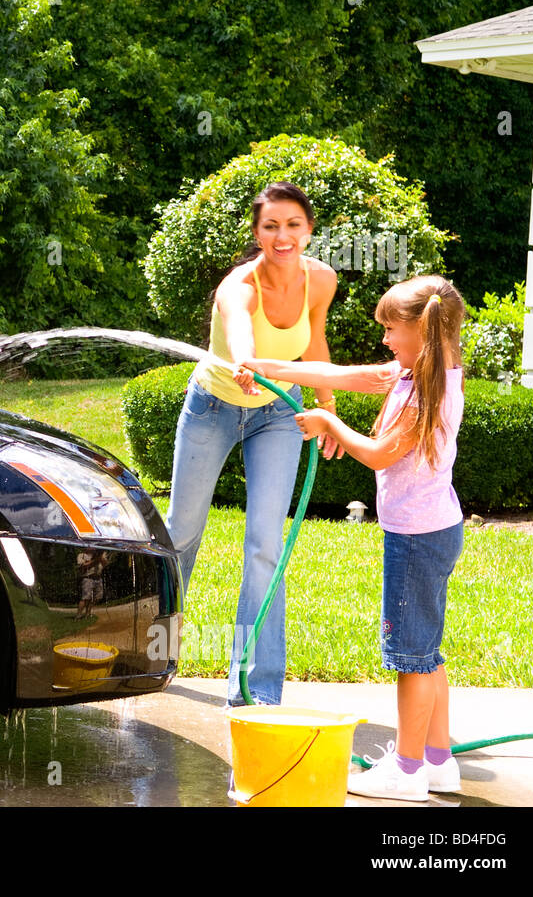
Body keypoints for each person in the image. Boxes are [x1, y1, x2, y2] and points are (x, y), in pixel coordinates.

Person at [245, 275, 466, 801]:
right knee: (427, 654)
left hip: (416, 538)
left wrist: (326, 421)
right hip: (435, 528)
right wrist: (263, 366)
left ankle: (407, 773)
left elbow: (378, 453)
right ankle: (437, 762)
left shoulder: (421, 394)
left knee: (410, 658)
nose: (385, 340)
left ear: (422, 330)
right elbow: (335, 373)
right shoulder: (427, 374)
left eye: (391, 329)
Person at [165, 181, 341, 707]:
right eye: (271, 226)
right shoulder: (238, 286)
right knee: (181, 533)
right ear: (258, 233)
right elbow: (240, 328)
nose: (282, 236)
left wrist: (325, 405)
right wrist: (245, 361)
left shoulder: (321, 279)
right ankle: (151, 656)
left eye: (293, 225)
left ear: (309, 229)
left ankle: (254, 689)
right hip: (213, 408)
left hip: (277, 415)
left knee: (266, 545)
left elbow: (314, 340)